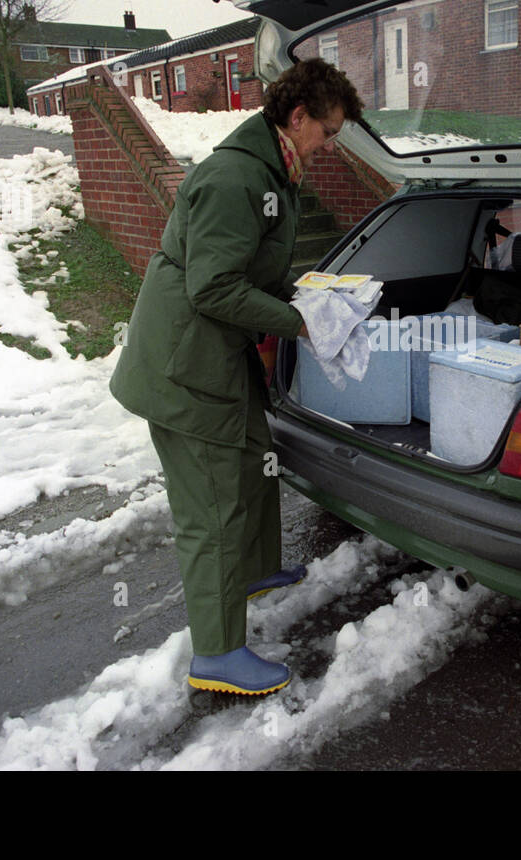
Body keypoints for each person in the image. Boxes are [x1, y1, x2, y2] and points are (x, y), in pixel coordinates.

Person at [109, 58, 365, 695]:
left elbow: (255, 263)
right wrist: (299, 323)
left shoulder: (275, 169)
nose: (329, 146)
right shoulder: (236, 177)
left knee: (255, 458)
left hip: (216, 354)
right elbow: (215, 286)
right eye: (326, 132)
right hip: (185, 365)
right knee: (212, 508)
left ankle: (251, 571)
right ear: (297, 115)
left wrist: (309, 297)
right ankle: (216, 655)